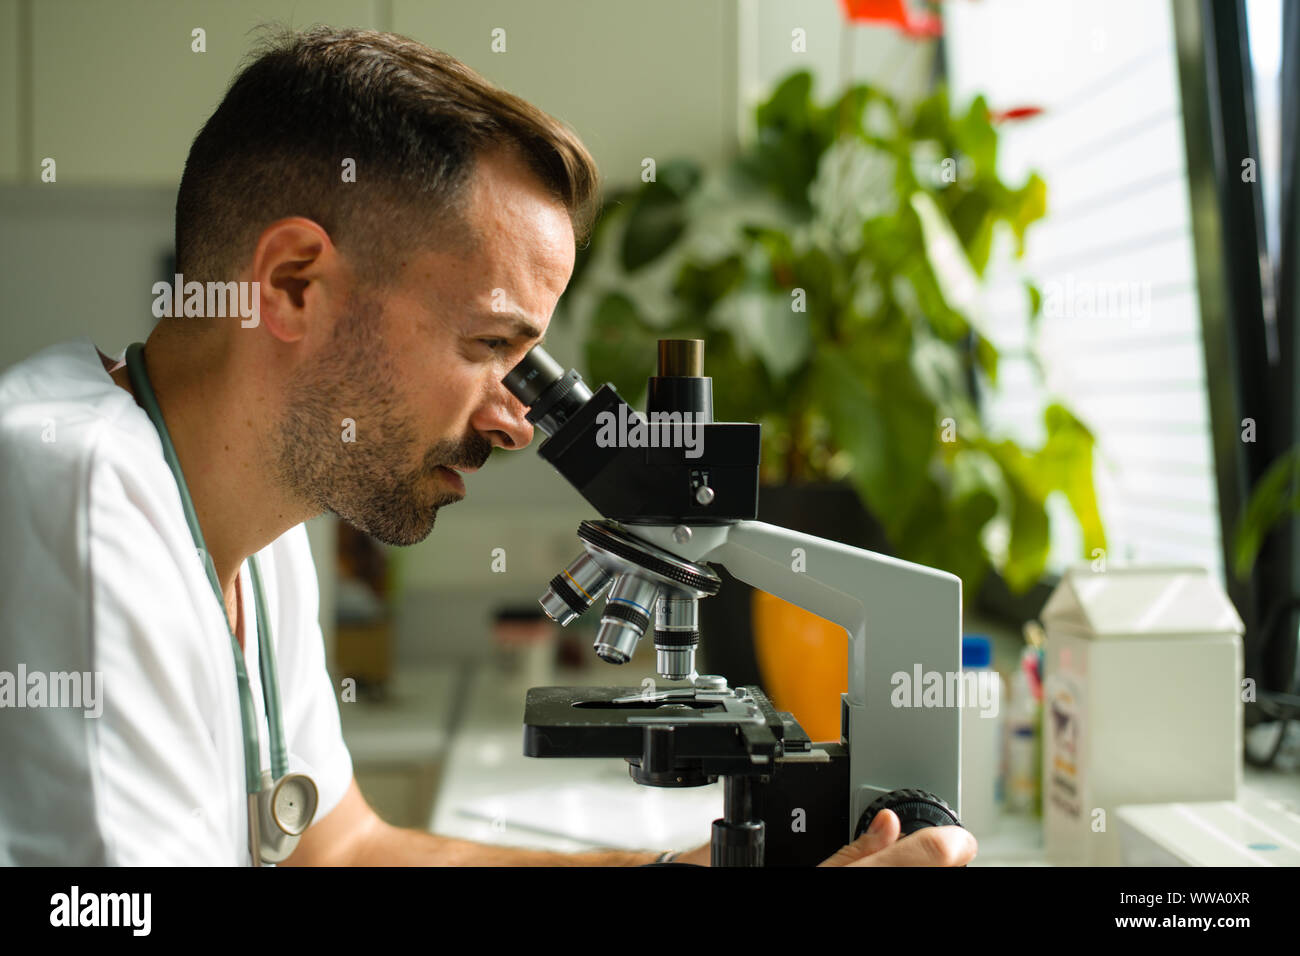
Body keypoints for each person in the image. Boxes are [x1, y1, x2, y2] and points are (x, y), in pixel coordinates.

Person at [0, 26, 976, 868]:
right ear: (294, 283)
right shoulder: (81, 491)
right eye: (488, 346)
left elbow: (339, 850)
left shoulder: (258, 518)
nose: (517, 420)